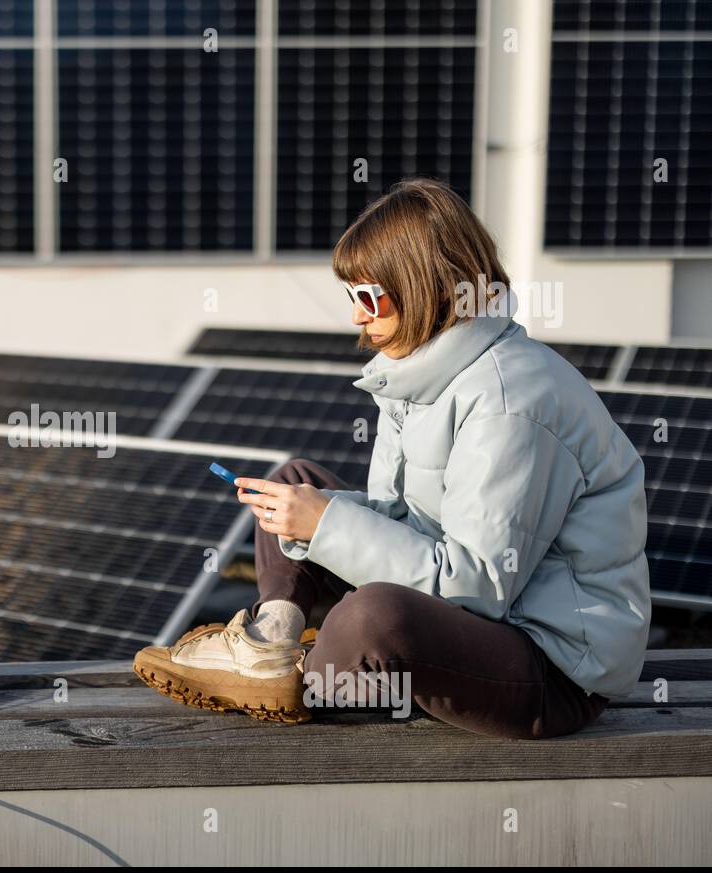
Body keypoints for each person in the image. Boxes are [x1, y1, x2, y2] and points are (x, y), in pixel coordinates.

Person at [133, 179, 650, 739]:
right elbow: (401, 521)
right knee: (293, 484)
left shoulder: (510, 401)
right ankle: (270, 644)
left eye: (369, 297)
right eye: (351, 298)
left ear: (425, 286)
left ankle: (293, 680)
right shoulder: (419, 374)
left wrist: (327, 525)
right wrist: (313, 516)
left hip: (553, 670)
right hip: (470, 618)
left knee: (373, 617)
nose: (357, 317)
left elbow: (476, 589)